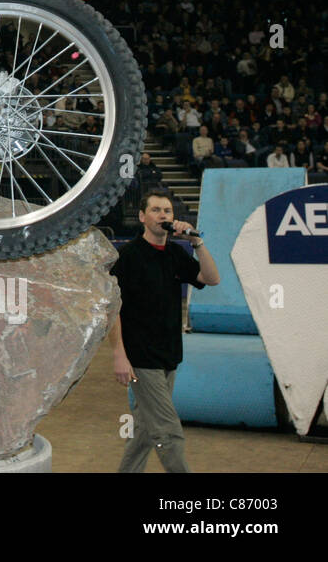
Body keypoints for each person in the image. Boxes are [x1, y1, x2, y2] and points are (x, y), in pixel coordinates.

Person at [109, 192, 220, 473]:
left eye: (168, 211)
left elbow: (211, 278)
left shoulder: (175, 254)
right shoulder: (128, 257)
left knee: (146, 429)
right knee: (168, 431)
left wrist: (197, 243)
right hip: (141, 357)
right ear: (143, 217)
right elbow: (111, 310)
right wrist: (119, 354)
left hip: (169, 354)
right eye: (156, 210)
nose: (163, 215)